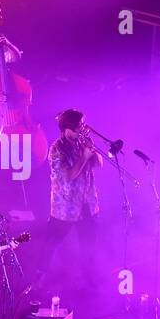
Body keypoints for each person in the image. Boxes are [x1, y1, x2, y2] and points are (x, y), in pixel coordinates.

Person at [37, 108, 102, 290]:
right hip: (65, 207)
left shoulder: (82, 142)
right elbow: (68, 177)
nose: (84, 128)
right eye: (80, 125)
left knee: (89, 245)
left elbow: (99, 164)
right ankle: (39, 278)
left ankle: (89, 279)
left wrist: (92, 151)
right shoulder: (57, 149)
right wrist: (83, 157)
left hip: (87, 205)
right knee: (50, 244)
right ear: (68, 129)